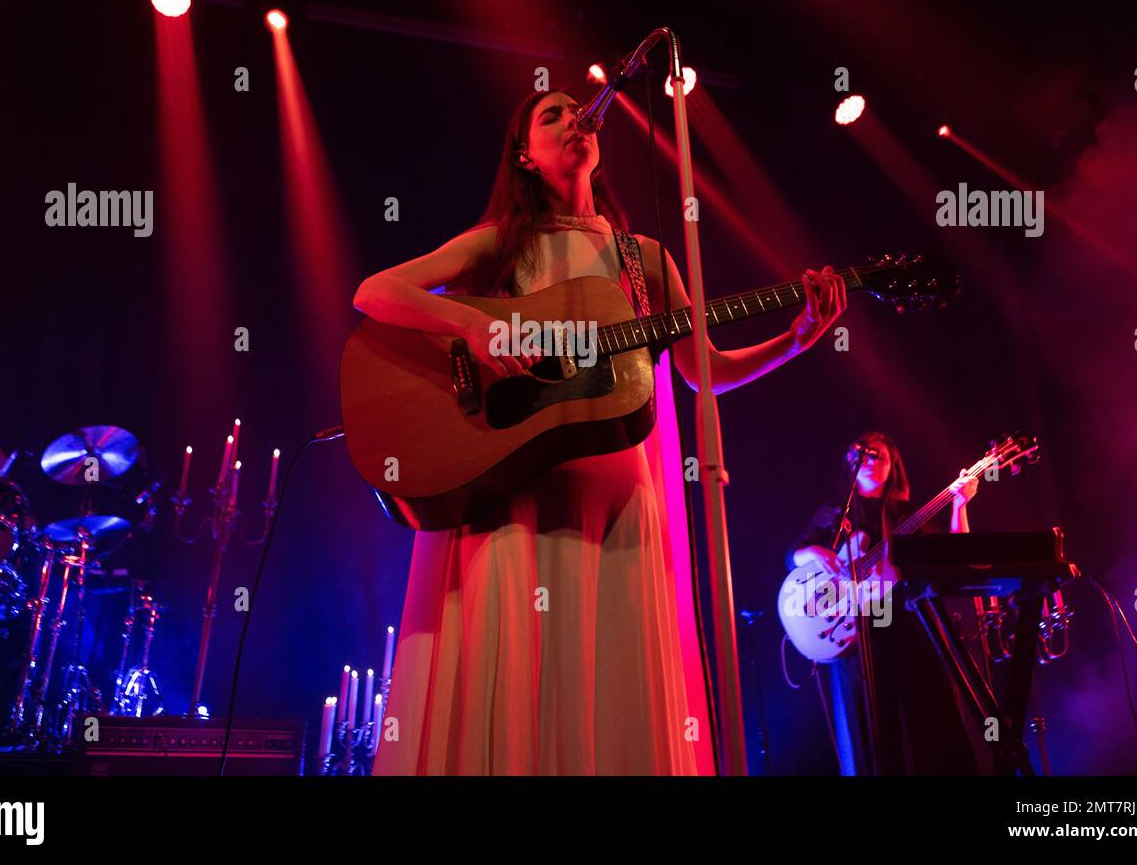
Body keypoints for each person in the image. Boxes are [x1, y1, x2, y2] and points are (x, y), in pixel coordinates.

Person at [355, 87, 846, 774]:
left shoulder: (642, 259)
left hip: (618, 500)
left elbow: (705, 371)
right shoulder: (500, 242)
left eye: (575, 111)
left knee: (610, 675)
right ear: (525, 155)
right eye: (550, 114)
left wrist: (797, 339)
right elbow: (375, 293)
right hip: (516, 493)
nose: (573, 119)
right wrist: (473, 321)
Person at [787, 431, 982, 774]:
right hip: (858, 632)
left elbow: (955, 554)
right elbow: (793, 557)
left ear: (894, 468)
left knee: (928, 717)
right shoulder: (835, 512)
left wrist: (960, 504)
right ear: (851, 463)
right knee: (875, 727)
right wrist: (817, 552)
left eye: (881, 455)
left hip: (906, 624)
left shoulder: (906, 514)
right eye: (865, 454)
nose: (872, 460)